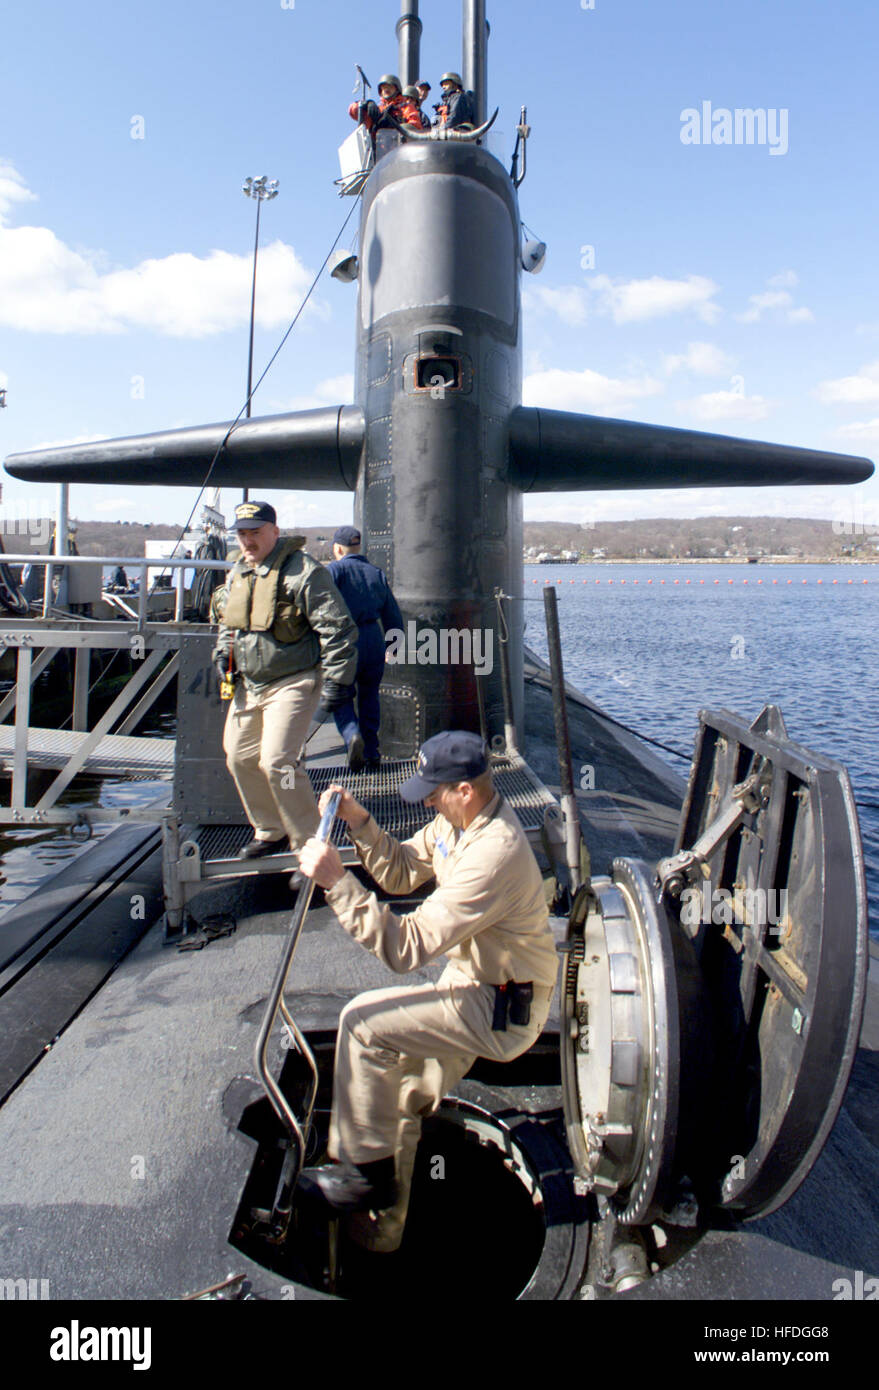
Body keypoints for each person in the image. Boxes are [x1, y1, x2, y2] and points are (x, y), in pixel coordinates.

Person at [297, 732, 559, 1246]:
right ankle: (379, 1238)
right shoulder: (455, 821)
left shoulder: (494, 853)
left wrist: (337, 883)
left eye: (435, 791)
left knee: (363, 1025)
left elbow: (407, 947)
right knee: (401, 1096)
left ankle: (361, 1179)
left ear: (465, 789)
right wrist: (360, 822)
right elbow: (400, 873)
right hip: (472, 980)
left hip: (501, 1006)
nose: (430, 801)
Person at [213, 501, 358, 861]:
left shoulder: (303, 572)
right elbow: (228, 623)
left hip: (293, 681)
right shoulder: (238, 573)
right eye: (242, 534)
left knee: (278, 762)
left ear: (275, 532)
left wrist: (338, 681)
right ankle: (270, 829)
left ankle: (310, 843)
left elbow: (337, 629)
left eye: (255, 533)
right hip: (250, 683)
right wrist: (223, 656)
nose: (248, 541)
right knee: (240, 757)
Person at [327, 525, 403, 772]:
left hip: (345, 641)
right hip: (373, 638)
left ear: (338, 548)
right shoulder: (376, 573)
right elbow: (393, 614)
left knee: (339, 695)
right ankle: (372, 753)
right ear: (359, 547)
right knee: (370, 697)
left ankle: (351, 735)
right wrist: (393, 646)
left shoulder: (334, 571)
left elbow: (321, 610)